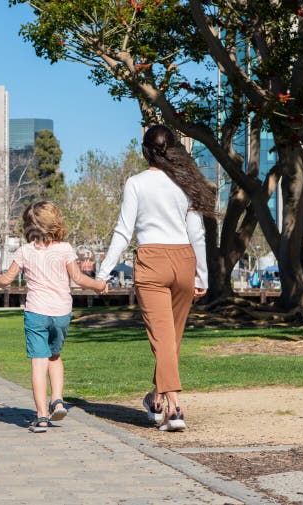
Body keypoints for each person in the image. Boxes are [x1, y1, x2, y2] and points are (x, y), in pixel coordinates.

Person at [96, 125, 212, 432]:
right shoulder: (185, 183)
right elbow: (197, 232)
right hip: (184, 259)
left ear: (145, 151)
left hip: (152, 261)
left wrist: (103, 270)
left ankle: (174, 408)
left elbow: (124, 230)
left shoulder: (136, 183)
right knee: (170, 341)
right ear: (172, 149)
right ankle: (156, 399)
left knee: (163, 340)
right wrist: (202, 274)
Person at [0, 201, 106, 432]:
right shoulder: (65, 249)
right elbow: (79, 279)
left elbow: (7, 279)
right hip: (61, 313)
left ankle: (41, 416)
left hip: (36, 312)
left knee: (38, 364)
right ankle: (57, 400)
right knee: (55, 357)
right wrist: (99, 286)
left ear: (29, 226)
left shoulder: (24, 251)